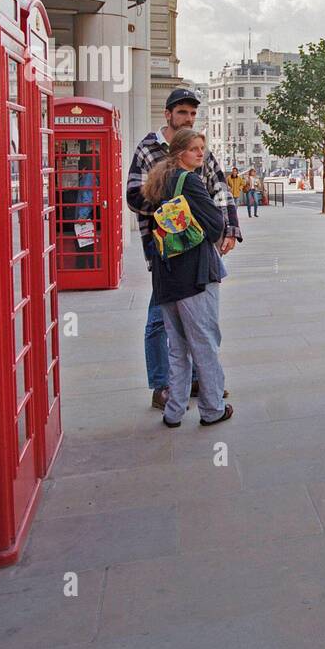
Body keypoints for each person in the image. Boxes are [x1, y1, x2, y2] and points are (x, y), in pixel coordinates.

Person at [127, 87, 240, 411]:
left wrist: (230, 230)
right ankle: (163, 385)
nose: (188, 118)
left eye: (192, 114)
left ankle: (192, 384)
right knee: (161, 321)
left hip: (195, 252)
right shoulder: (149, 149)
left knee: (194, 323)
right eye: (182, 113)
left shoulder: (198, 149)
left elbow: (220, 189)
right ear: (168, 114)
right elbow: (133, 195)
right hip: (163, 250)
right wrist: (171, 208)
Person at [141, 127, 232, 429]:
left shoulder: (158, 182)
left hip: (166, 276)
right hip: (194, 274)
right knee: (205, 342)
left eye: (202, 148)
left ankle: (174, 411)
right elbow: (216, 222)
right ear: (180, 152)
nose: (200, 153)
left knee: (177, 347)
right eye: (194, 148)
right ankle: (212, 408)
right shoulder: (189, 181)